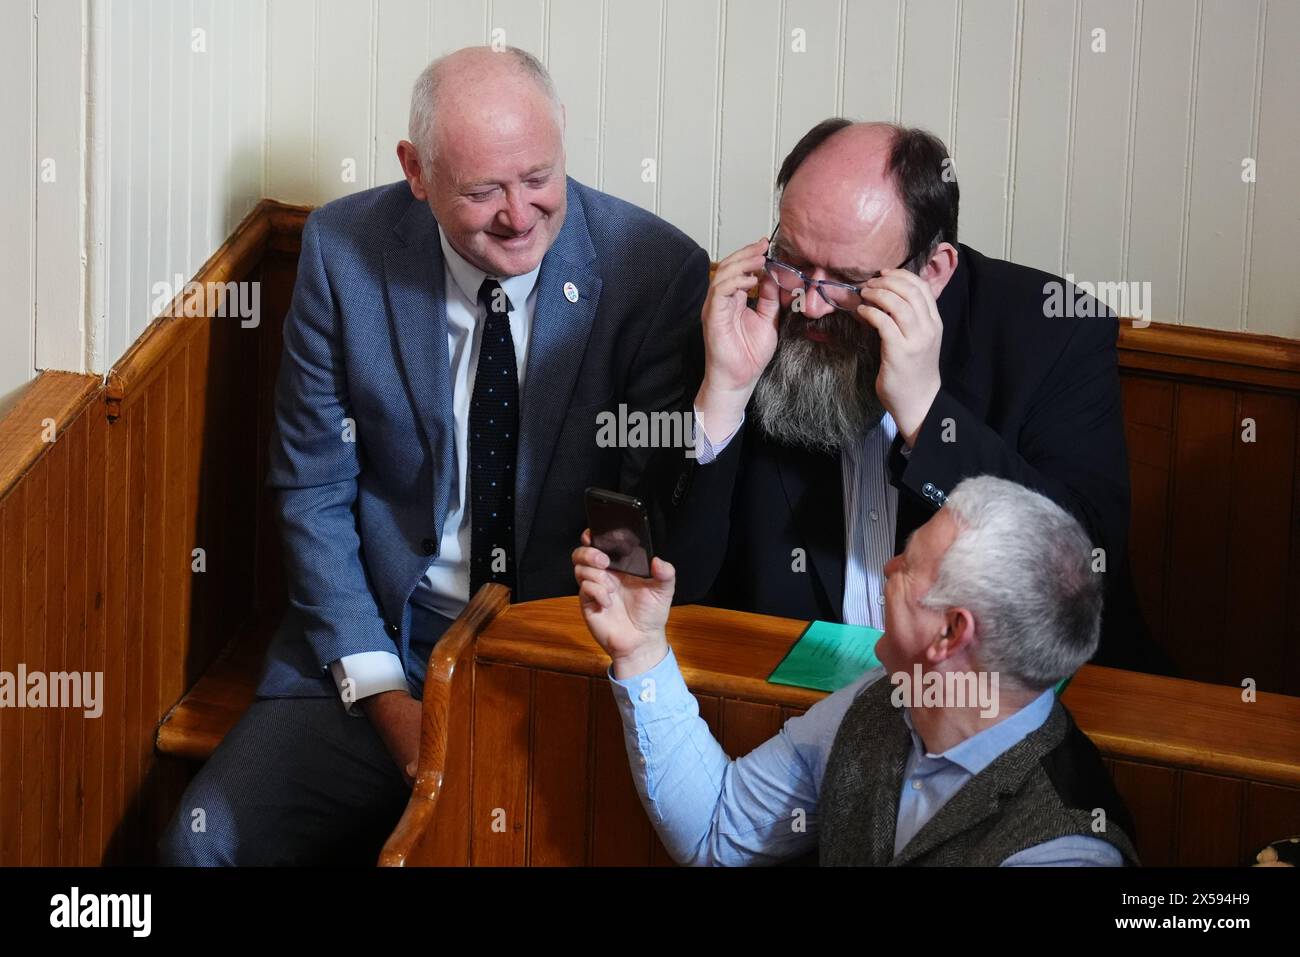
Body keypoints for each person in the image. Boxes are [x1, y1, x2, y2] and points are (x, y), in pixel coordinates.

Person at [160, 45, 708, 865]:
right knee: (199, 845)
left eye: (538, 176)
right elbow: (312, 492)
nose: (519, 215)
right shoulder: (344, 251)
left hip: (563, 662)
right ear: (416, 172)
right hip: (384, 640)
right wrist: (386, 696)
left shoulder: (654, 270)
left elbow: (656, 522)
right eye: (482, 190)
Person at [652, 119, 1165, 674]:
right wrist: (724, 393)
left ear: (935, 270)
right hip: (785, 709)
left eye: (849, 280)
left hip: (1000, 713)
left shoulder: (1051, 332)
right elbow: (673, 586)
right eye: (795, 261)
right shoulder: (747, 314)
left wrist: (926, 415)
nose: (811, 304)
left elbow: (1081, 569)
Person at [573, 475, 1140, 866]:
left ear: (950, 633)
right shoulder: (884, 697)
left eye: (907, 563)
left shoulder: (1064, 846)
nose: (888, 564)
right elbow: (717, 827)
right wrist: (641, 649)